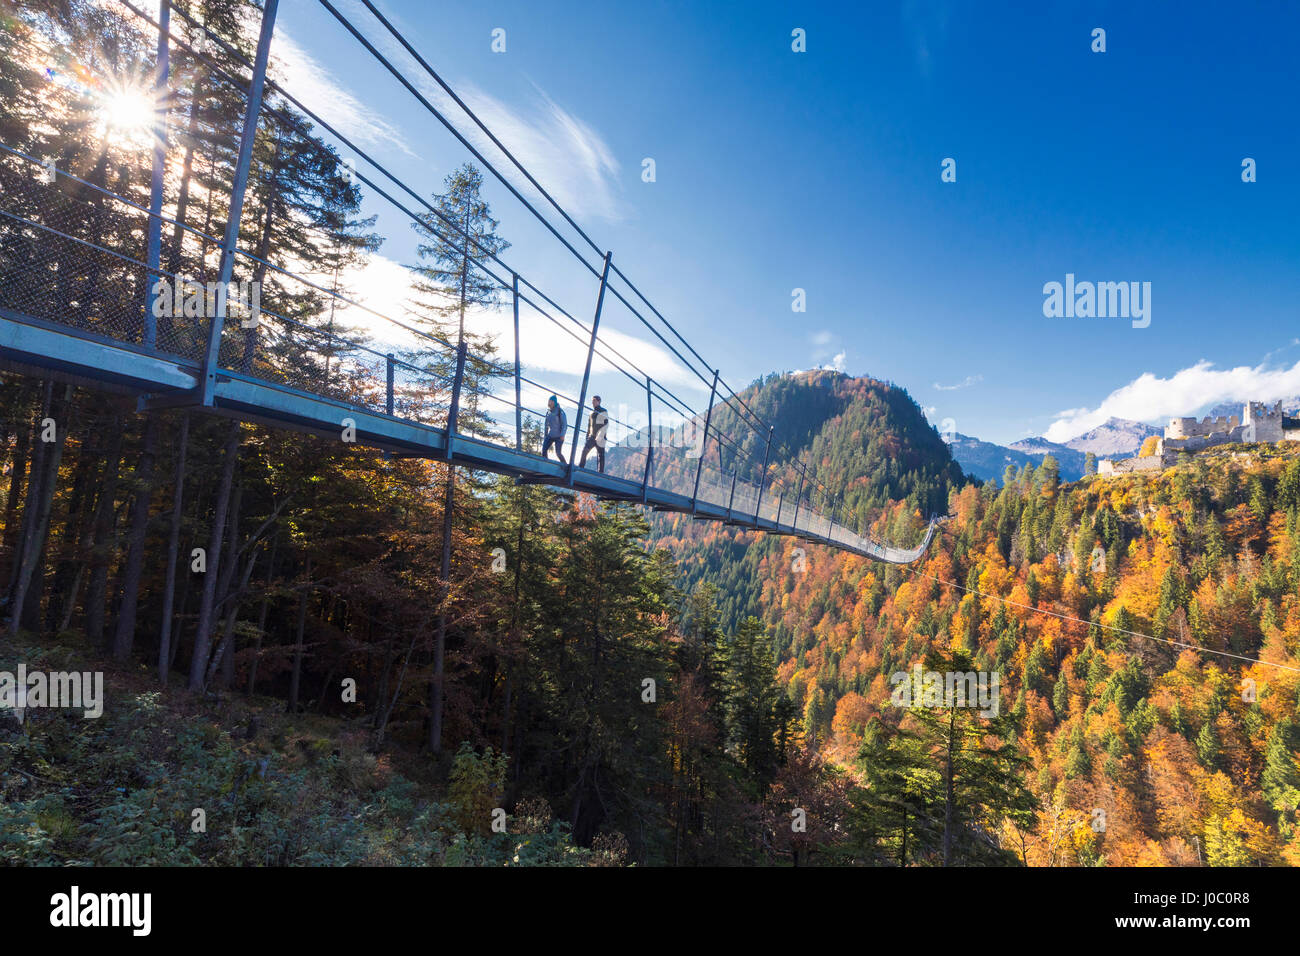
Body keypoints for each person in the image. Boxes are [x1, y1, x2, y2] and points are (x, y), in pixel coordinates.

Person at [580, 395, 609, 472]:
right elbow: (589, 426)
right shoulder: (591, 412)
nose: (592, 402)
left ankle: (600, 473)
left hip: (601, 437)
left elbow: (606, 424)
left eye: (594, 400)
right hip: (591, 437)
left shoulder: (603, 411)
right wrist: (587, 436)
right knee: (584, 451)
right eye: (592, 401)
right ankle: (580, 468)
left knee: (601, 456)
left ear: (599, 402)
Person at [543, 395, 567, 463]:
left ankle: (565, 466)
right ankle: (545, 463)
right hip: (550, 435)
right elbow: (546, 424)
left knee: (558, 453)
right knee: (544, 450)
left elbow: (564, 424)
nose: (548, 403)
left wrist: (562, 435)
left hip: (559, 436)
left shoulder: (560, 412)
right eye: (548, 401)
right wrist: (546, 434)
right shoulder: (548, 412)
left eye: (550, 401)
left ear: (554, 402)